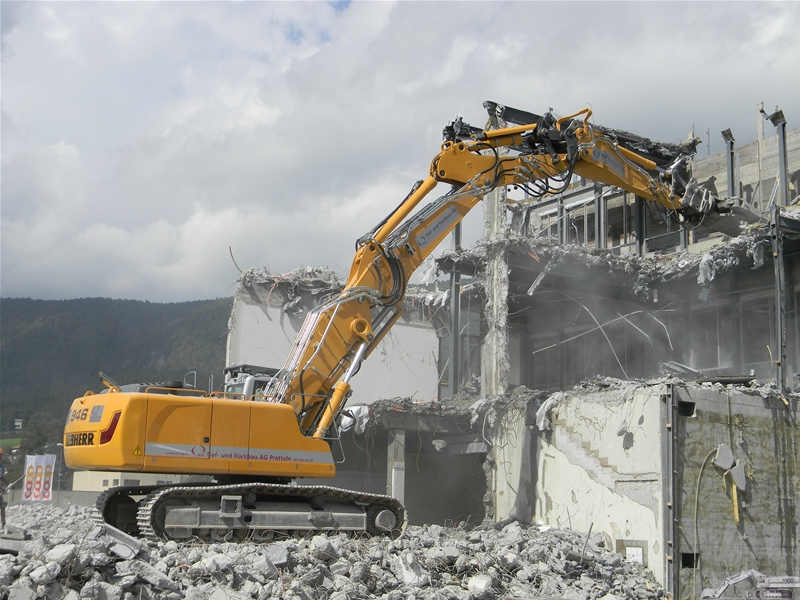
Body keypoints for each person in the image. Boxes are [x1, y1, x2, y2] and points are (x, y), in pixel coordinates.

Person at [0, 448, 7, 532]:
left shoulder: (1, 466)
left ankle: (3, 524)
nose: (1, 456)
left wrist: (9, 484)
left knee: (2, 507)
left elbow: (1, 478)